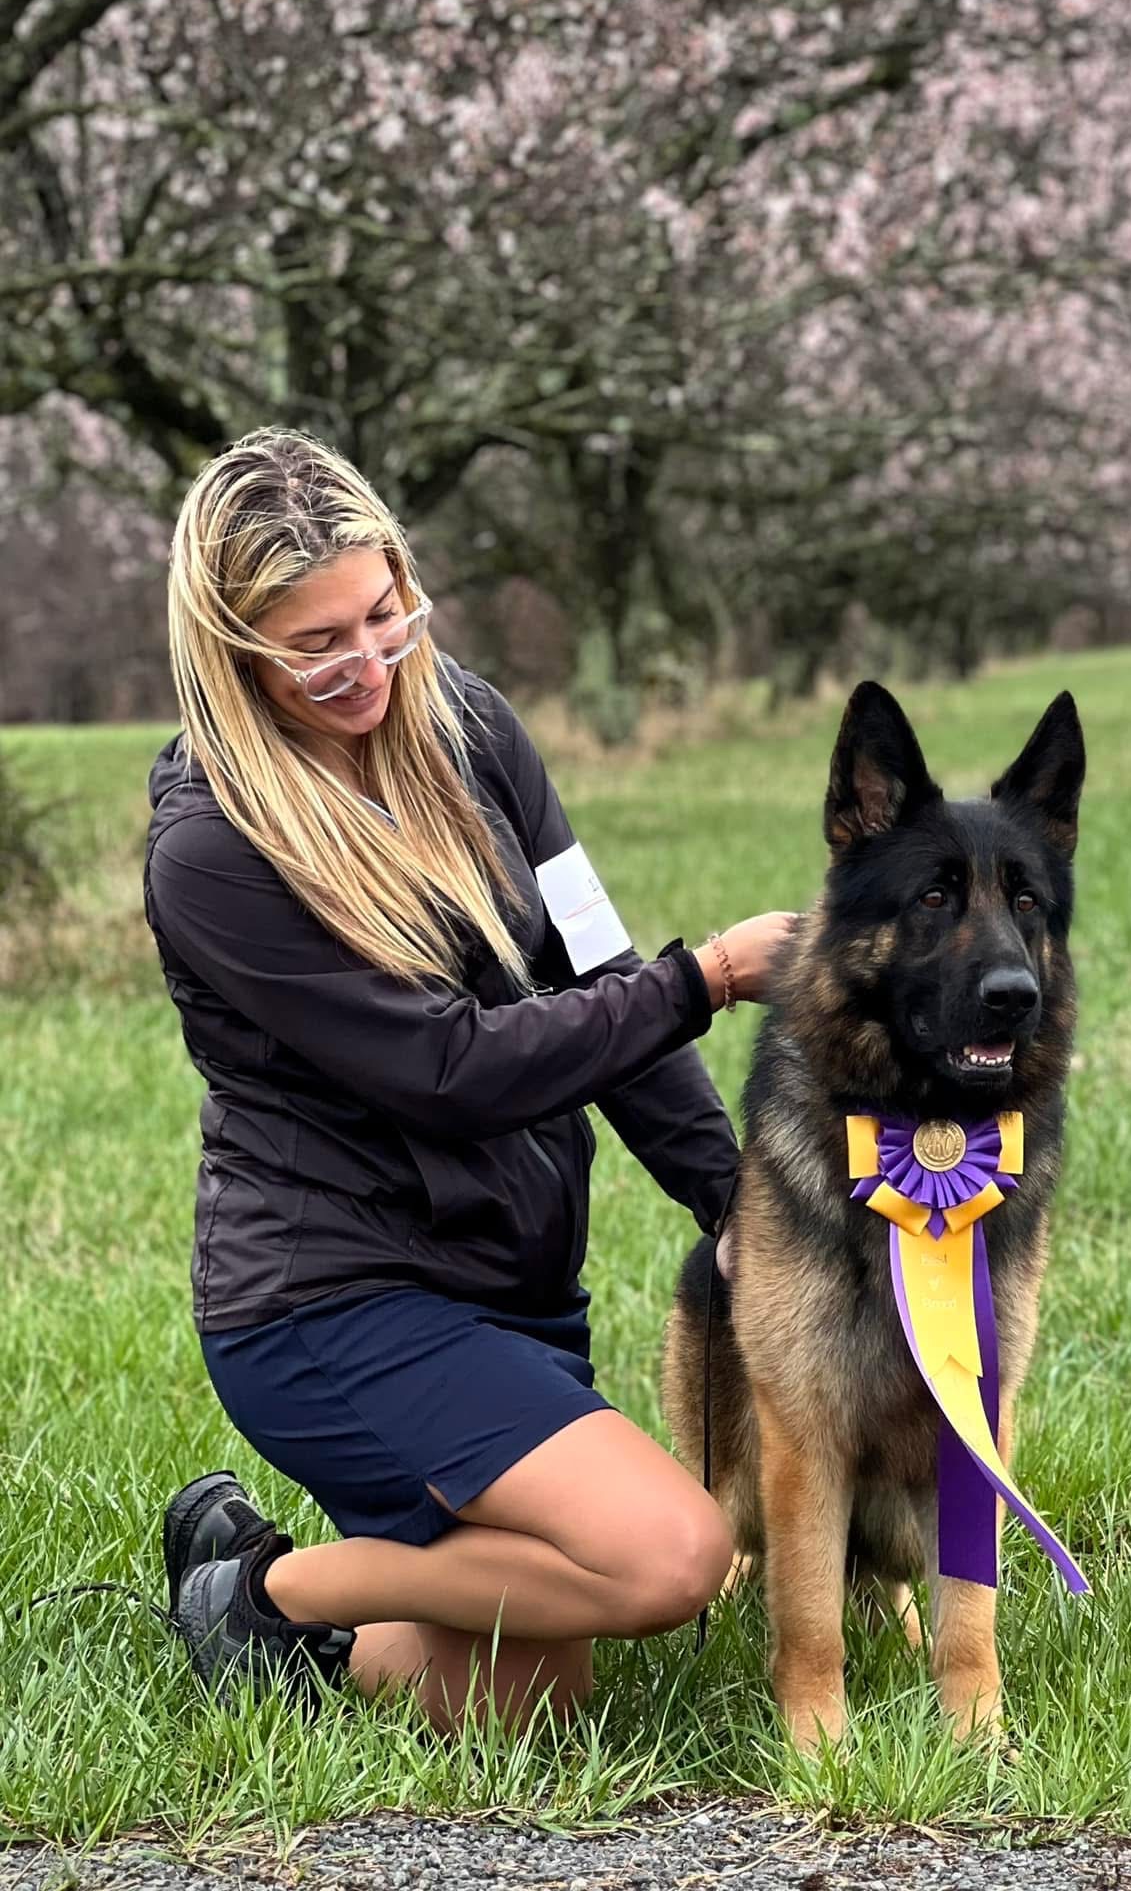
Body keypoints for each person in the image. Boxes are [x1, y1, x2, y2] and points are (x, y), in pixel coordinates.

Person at [143, 426, 797, 1734]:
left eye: (383, 614)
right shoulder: (213, 850)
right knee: (668, 1557)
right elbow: (449, 1072)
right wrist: (708, 976)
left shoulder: (470, 725)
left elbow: (590, 962)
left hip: (509, 1283)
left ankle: (291, 1627)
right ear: (234, 649)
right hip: (330, 1306)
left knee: (521, 1689)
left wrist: (733, 1202)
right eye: (314, 640)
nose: (366, 662)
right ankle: (263, 1592)